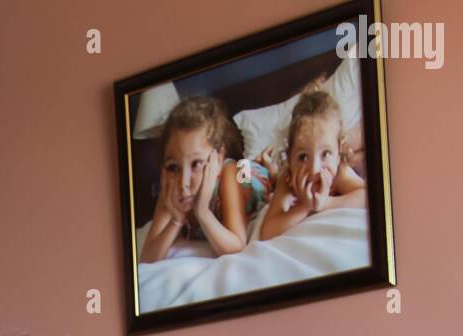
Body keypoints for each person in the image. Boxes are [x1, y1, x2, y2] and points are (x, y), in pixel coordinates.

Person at [139, 96, 272, 262]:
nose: (183, 182)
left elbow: (237, 246)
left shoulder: (227, 174)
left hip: (248, 182)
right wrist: (176, 220)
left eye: (196, 163)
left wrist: (202, 211)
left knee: (252, 171)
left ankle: (265, 162)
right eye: (174, 167)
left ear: (218, 158)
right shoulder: (170, 189)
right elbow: (147, 258)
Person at [256, 88, 366, 243]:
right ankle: (269, 165)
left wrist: (325, 203)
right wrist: (306, 206)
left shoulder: (340, 172)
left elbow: (367, 197)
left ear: (338, 152)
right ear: (290, 156)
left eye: (326, 154)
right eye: (303, 157)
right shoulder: (288, 179)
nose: (314, 168)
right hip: (281, 175)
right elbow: (268, 232)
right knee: (275, 177)